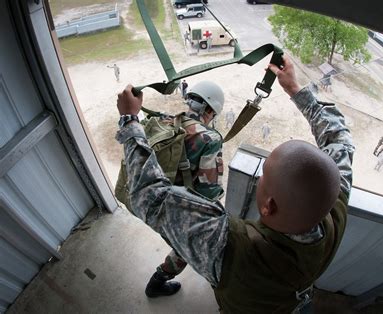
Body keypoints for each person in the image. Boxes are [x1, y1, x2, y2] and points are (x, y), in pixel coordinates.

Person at [115, 55, 354, 312]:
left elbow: (148, 197)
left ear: (268, 206)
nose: (262, 178)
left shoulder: (226, 246)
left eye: (265, 176)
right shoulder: (334, 210)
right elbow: (340, 140)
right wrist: (294, 89)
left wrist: (130, 119)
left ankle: (159, 280)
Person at [143, 81, 225, 298]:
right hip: (174, 207)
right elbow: (209, 191)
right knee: (186, 248)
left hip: (151, 197)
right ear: (209, 110)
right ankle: (157, 283)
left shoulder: (166, 120)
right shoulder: (211, 138)